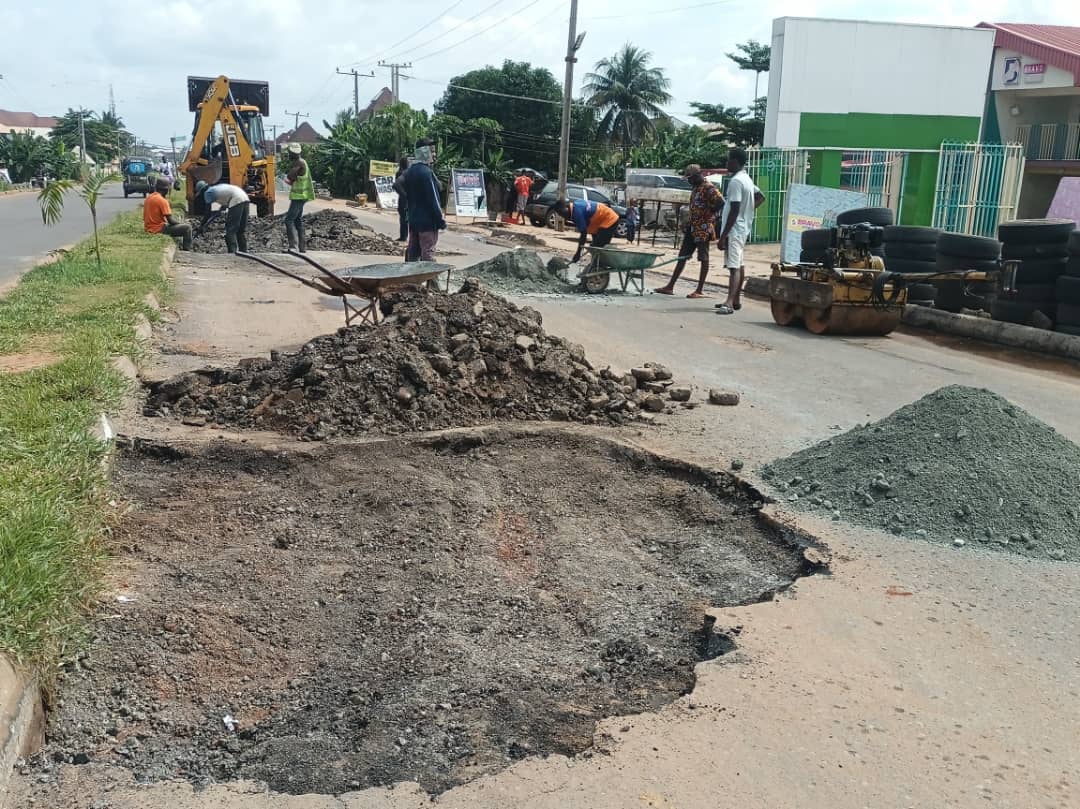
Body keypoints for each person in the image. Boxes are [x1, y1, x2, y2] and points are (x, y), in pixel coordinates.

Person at [654, 164, 724, 299]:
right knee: (683, 256)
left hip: (703, 228)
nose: (689, 181)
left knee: (703, 257)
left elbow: (721, 202)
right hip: (692, 227)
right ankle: (670, 286)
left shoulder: (709, 188)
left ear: (697, 176)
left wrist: (709, 214)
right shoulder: (696, 188)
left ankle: (699, 290)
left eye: (690, 179)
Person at [715, 148, 766, 314]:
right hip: (742, 227)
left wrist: (723, 236)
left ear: (735, 161)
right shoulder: (746, 179)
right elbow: (761, 197)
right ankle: (736, 299)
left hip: (734, 229)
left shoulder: (736, 182)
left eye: (728, 159)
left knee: (733, 267)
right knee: (739, 263)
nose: (726, 162)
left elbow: (734, 210)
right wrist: (748, 210)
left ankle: (729, 302)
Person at [402, 138, 446, 262]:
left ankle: (410, 274)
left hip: (413, 221)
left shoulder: (410, 172)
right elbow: (433, 199)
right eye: (432, 151)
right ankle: (429, 275)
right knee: (428, 255)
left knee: (412, 254)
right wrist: (440, 220)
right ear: (424, 152)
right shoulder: (426, 173)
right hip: (428, 223)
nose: (434, 155)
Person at [554, 197, 621, 263]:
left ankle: (602, 265)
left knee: (599, 248)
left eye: (562, 213)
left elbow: (583, 234)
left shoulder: (577, 212)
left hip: (610, 220)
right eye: (560, 215)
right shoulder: (575, 205)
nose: (563, 216)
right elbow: (591, 219)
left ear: (566, 208)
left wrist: (578, 253)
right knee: (595, 247)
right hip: (601, 221)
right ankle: (596, 265)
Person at [195, 179, 250, 254]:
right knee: (241, 229)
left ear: (202, 190)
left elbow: (208, 212)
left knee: (231, 229)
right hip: (244, 197)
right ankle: (244, 251)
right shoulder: (217, 187)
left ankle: (232, 253)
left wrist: (202, 225)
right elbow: (226, 198)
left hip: (236, 199)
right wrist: (221, 208)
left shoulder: (208, 193)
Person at [143, 177, 192, 250]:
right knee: (187, 228)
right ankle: (187, 250)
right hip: (158, 229)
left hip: (148, 227)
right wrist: (181, 223)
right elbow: (171, 221)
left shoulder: (149, 197)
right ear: (165, 189)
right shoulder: (162, 201)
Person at [283, 143, 314, 252]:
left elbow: (289, 177)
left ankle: (293, 247)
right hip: (302, 196)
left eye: (289, 153)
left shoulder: (299, 163)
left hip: (299, 197)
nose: (289, 155)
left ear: (293, 153)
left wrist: (288, 178)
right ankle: (302, 247)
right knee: (297, 220)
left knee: (289, 220)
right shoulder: (302, 162)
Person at [393, 157, 409, 242]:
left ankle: (403, 236)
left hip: (403, 198)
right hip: (408, 198)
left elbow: (396, 186)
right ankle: (405, 237)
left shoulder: (399, 173)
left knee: (403, 218)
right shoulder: (408, 173)